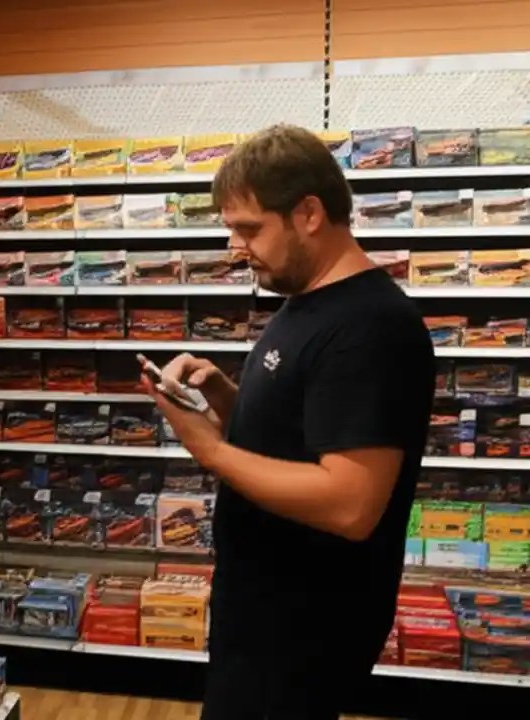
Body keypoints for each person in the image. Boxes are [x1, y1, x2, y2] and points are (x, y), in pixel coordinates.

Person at [143, 124, 435, 720]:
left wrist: (211, 451)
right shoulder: (307, 300)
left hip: (305, 628)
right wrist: (226, 397)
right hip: (263, 611)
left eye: (248, 229)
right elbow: (302, 435)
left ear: (308, 213)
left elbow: (351, 504)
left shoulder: (370, 328)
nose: (235, 246)